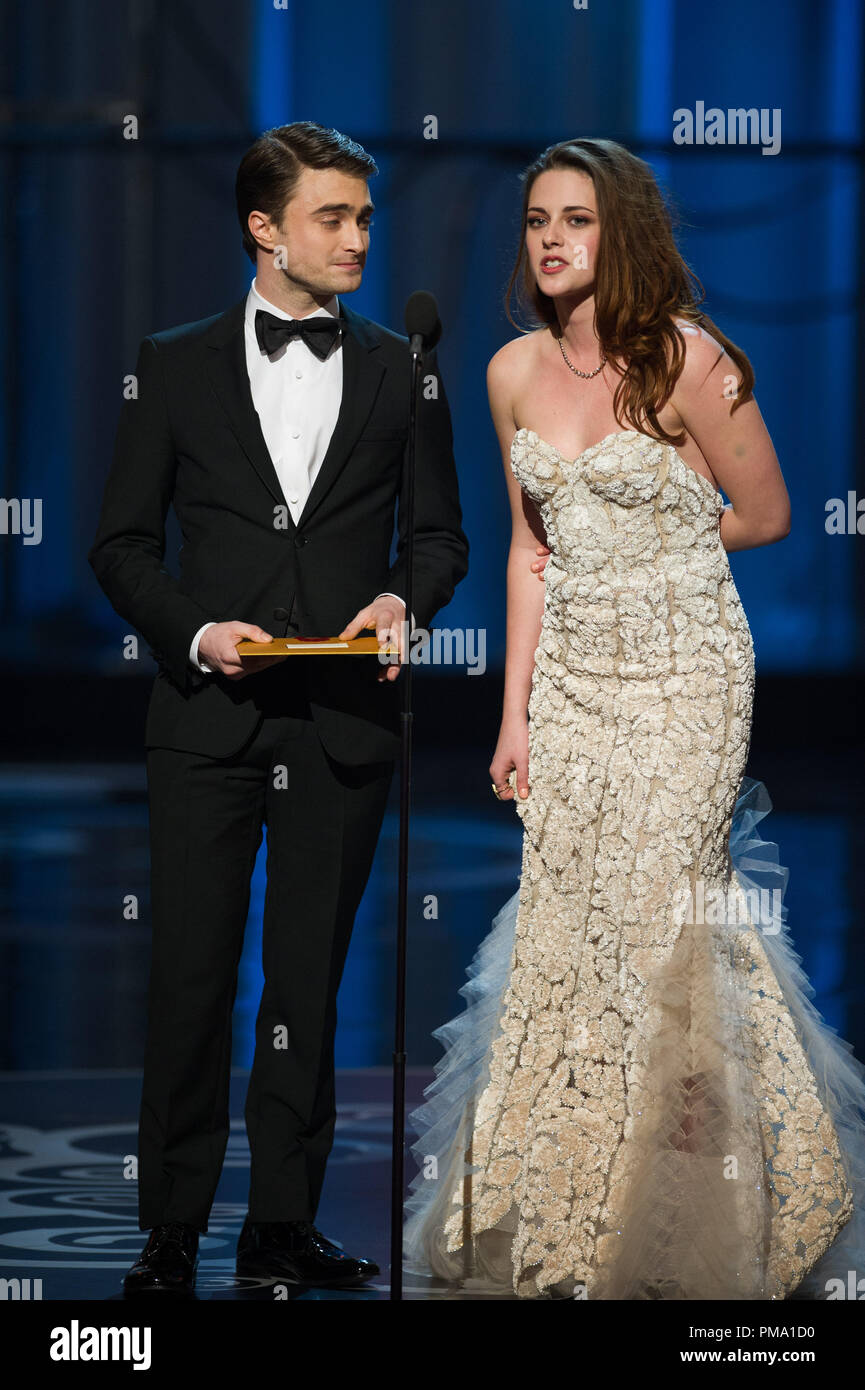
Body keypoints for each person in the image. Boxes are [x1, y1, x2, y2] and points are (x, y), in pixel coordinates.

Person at [402, 137, 865, 1299]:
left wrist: (649, 558)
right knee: (573, 935)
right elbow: (524, 550)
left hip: (685, 682)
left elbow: (762, 514)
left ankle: (710, 1212)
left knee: (664, 931)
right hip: (569, 695)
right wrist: (510, 717)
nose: (551, 237)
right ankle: (573, 1205)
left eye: (579, 218)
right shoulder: (510, 371)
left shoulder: (689, 361)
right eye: (536, 220)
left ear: (623, 235)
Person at [89, 120, 469, 1296]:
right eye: (333, 217)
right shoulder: (173, 359)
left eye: (364, 217)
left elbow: (443, 538)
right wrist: (199, 632)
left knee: (308, 983)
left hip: (341, 714)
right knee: (193, 975)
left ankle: (283, 1225)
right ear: (265, 228)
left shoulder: (405, 366)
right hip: (209, 714)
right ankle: (170, 1229)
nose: (359, 237)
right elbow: (119, 543)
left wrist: (405, 598)